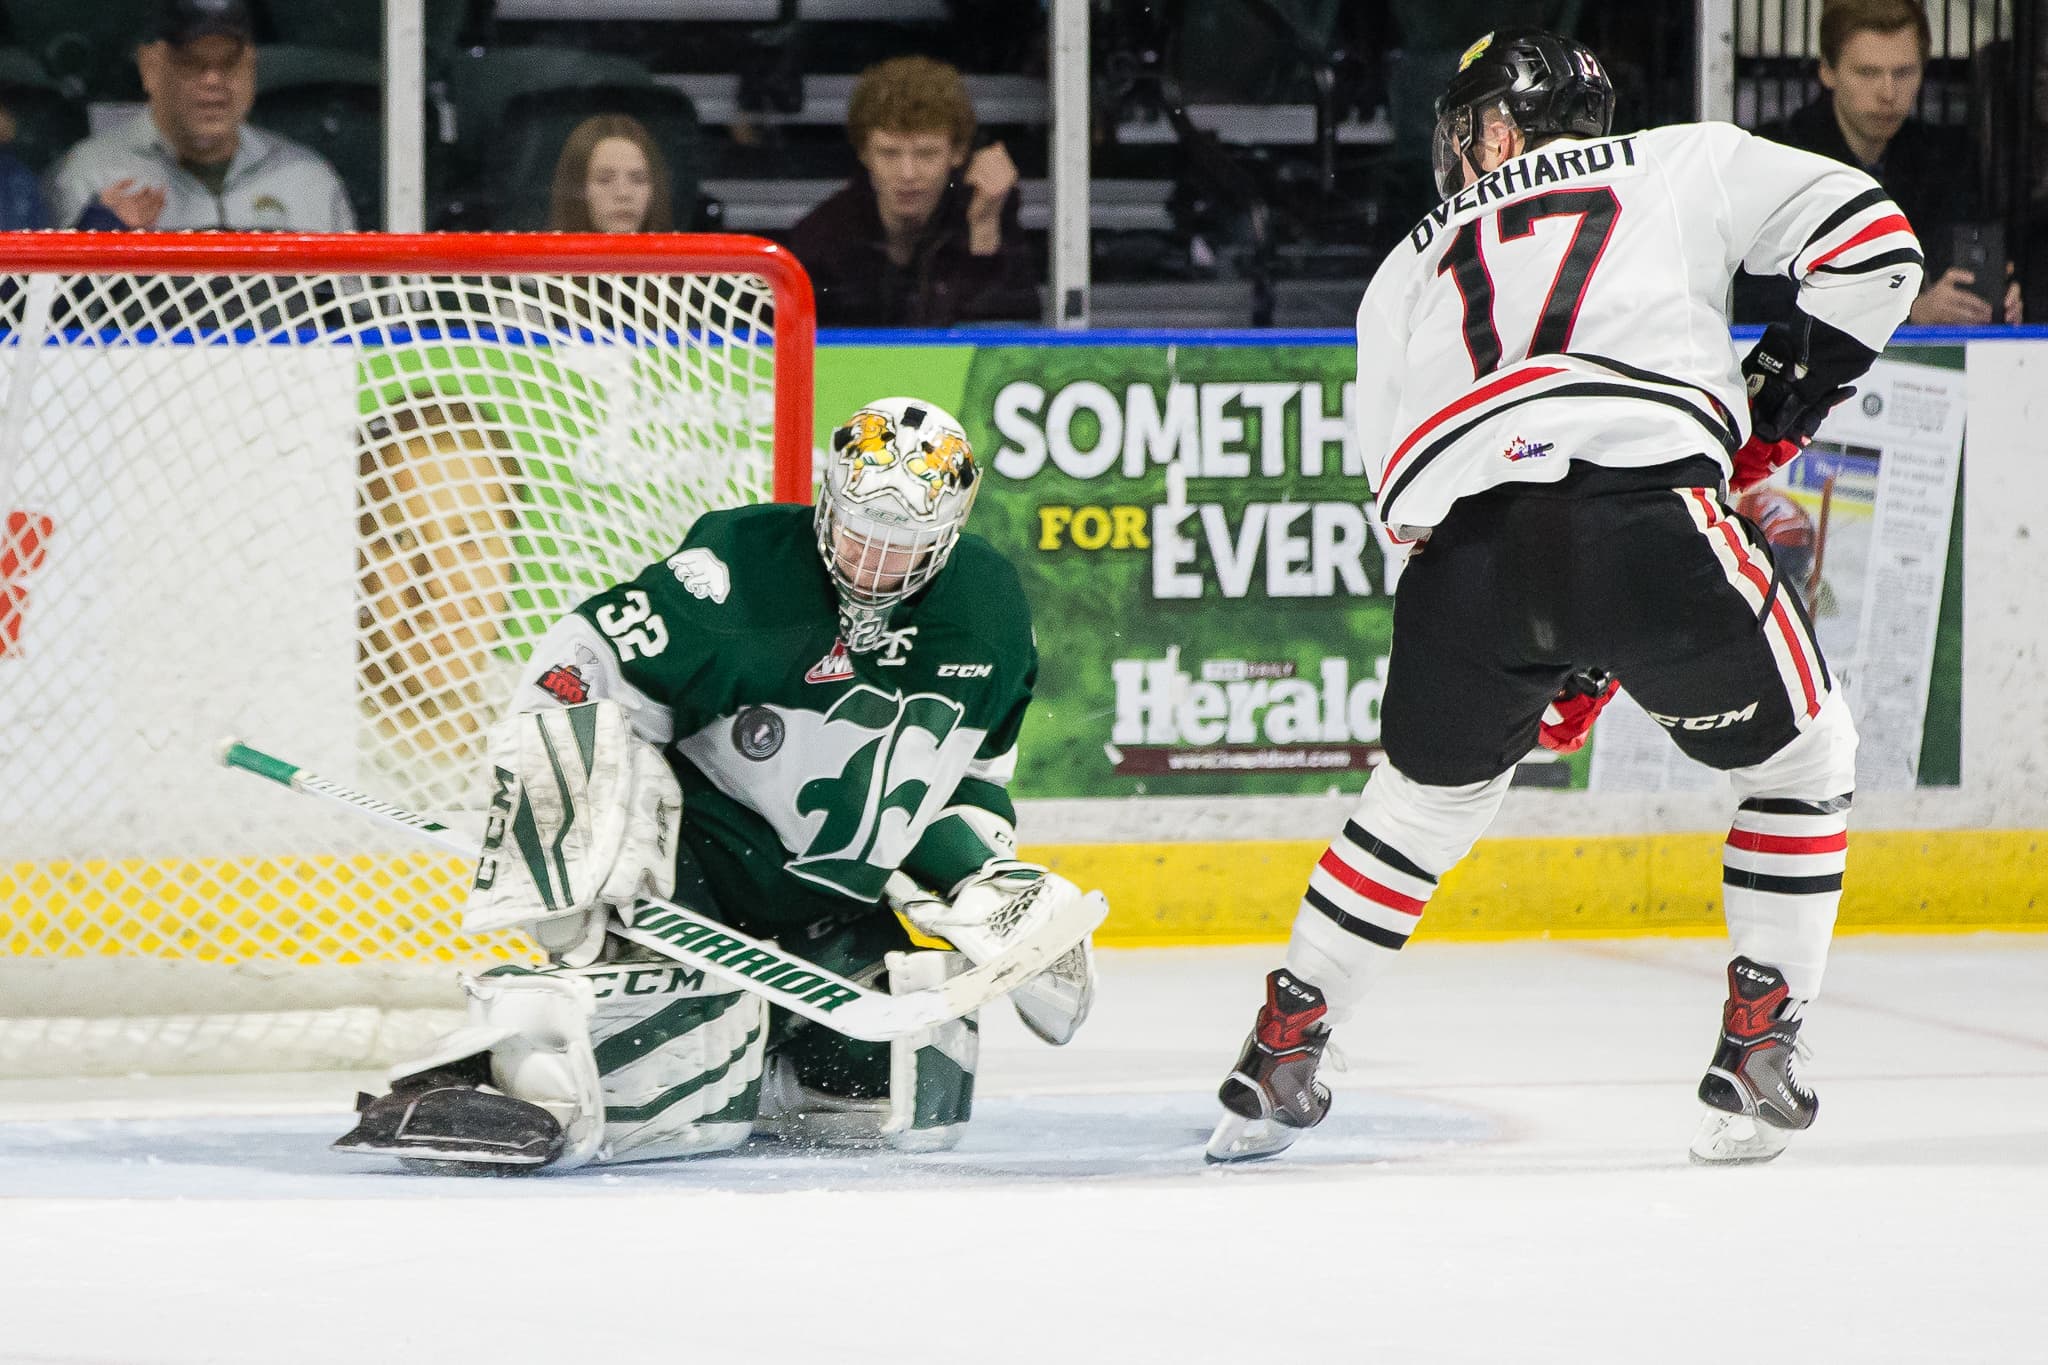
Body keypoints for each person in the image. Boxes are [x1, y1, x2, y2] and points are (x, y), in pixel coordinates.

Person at [1207, 30, 1917, 1167]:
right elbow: (1875, 247)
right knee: (1799, 763)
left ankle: (1284, 1038)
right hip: (1648, 518)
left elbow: (1402, 509)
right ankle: (1754, 1050)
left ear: (1492, 127)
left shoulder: (1407, 260)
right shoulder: (1679, 158)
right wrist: (1784, 391)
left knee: (1419, 806)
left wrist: (1541, 640)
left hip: (1466, 565)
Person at [335, 398, 1099, 1172]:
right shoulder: (740, 573)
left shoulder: (990, 613)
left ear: (947, 535)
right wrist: (586, 832)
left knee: (900, 1090)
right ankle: (505, 1071)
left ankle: (762, 1053)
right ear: (827, 500)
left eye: (902, 547)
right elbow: (573, 674)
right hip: (698, 871)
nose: (873, 564)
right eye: (859, 535)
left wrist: (979, 873)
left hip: (831, 904)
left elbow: (970, 774)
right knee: (660, 1088)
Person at [1736, 0, 2017, 326]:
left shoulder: (1948, 160)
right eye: (1867, 73)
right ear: (1827, 70)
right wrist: (1907, 314)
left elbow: (1965, 258)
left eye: (1904, 72)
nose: (1887, 92)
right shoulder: (1776, 159)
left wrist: (1995, 298)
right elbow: (1755, 297)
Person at [43, 0, 355, 232]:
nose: (212, 81)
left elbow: (355, 315)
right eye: (191, 63)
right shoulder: (89, 175)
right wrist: (99, 237)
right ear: (150, 68)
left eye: (230, 62)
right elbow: (40, 315)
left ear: (252, 67)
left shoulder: (308, 179)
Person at [785, 56, 1038, 327]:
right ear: (864, 153)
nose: (908, 174)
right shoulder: (821, 239)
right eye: (889, 153)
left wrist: (984, 231)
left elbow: (1006, 344)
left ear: (958, 153)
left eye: (926, 154)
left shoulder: (988, 209)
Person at [547, 114, 674, 233]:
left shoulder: (681, 256)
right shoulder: (537, 256)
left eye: (638, 180)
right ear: (577, 189)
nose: (623, 194)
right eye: (604, 180)